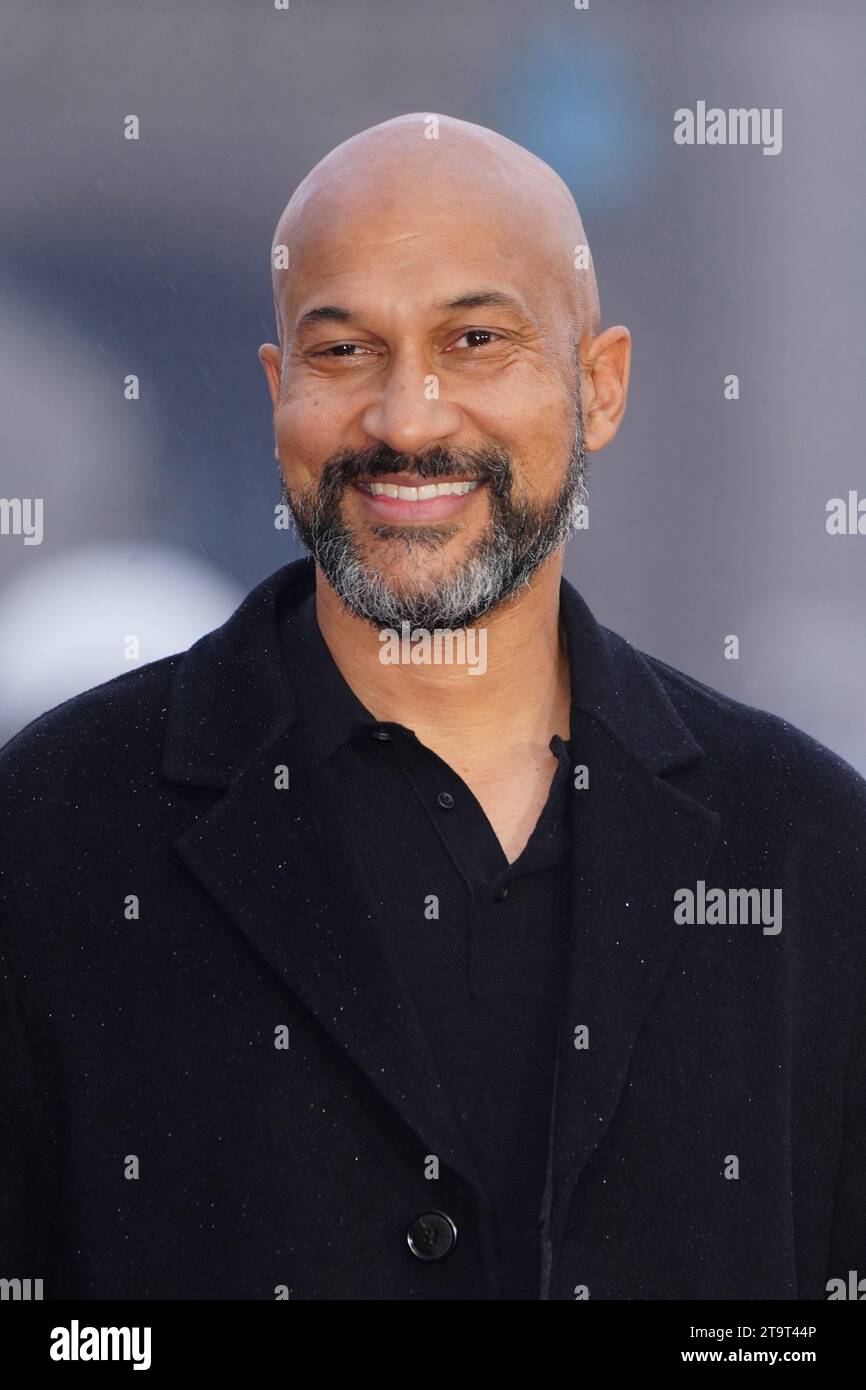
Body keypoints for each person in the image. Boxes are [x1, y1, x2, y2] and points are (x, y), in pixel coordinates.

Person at [1, 113, 864, 1301]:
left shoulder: (810, 847)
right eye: (344, 352)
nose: (406, 421)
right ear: (278, 390)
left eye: (474, 339)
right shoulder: (51, 832)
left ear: (598, 385)